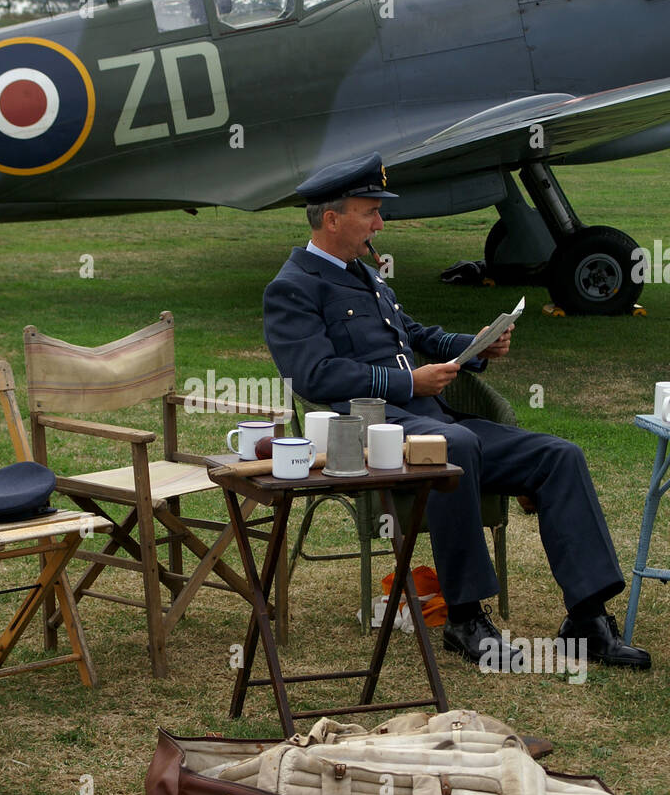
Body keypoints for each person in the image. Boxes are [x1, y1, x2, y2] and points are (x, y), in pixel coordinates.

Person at [263, 152, 650, 669]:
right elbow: (315, 376)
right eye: (371, 211)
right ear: (332, 219)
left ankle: (587, 616)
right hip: (370, 431)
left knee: (559, 455)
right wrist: (408, 381)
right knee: (457, 444)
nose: (380, 222)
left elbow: (412, 332)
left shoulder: (364, 273)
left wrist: (472, 345)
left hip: (432, 419)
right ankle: (466, 619)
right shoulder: (293, 287)